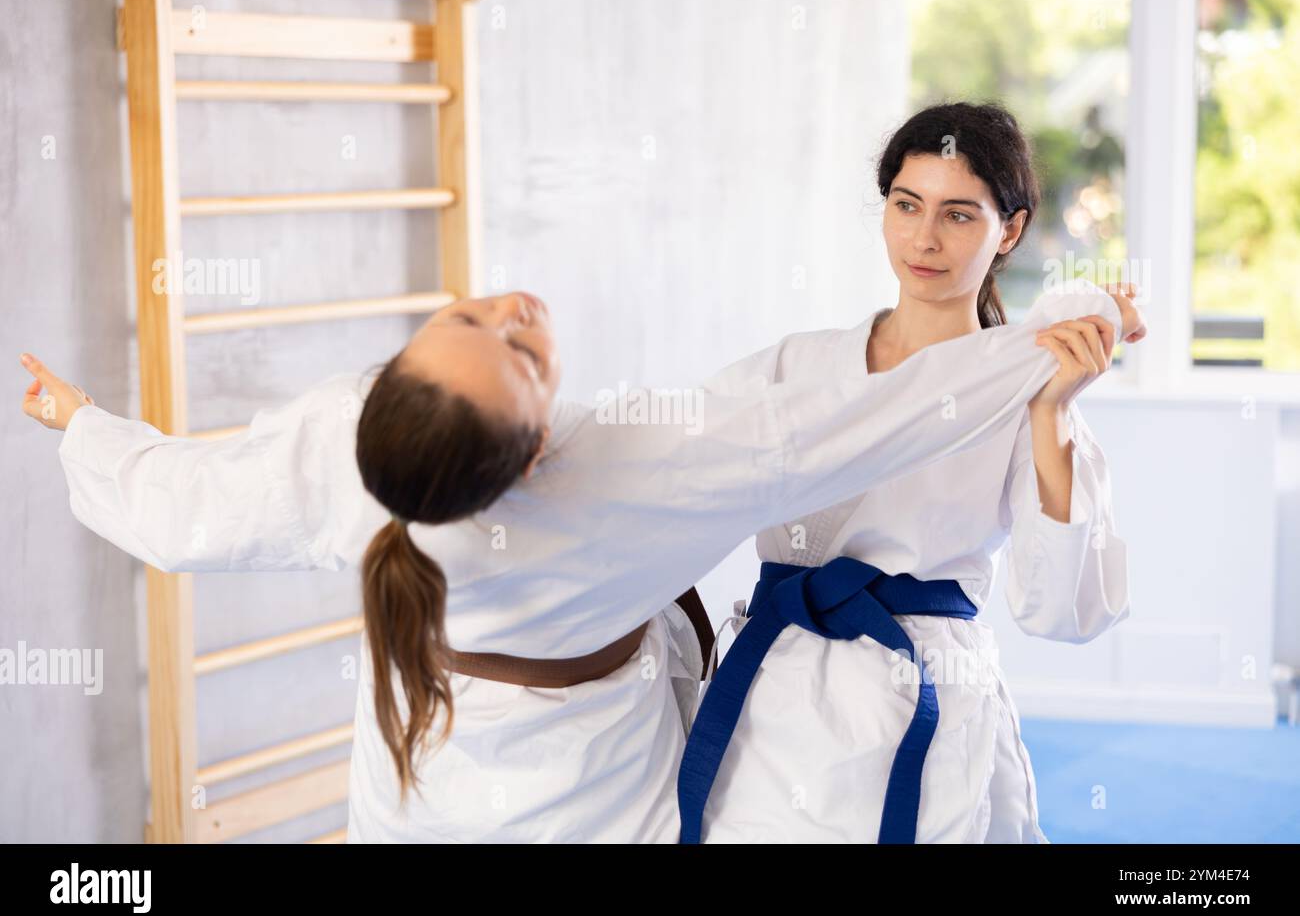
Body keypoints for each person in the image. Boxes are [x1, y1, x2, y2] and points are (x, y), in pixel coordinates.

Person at [21, 276, 1140, 841]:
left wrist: (84, 425)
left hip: (423, 753)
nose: (515, 306)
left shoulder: (341, 436)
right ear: (541, 440)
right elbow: (849, 425)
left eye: (477, 315)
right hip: (597, 789)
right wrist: (1035, 358)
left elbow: (180, 512)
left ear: (392, 374)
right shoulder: (632, 468)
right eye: (514, 343)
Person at [679, 101, 1144, 844]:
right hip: (778, 688)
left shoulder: (1025, 392)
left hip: (929, 688)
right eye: (907, 205)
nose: (924, 238)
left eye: (960, 215)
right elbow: (672, 474)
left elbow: (1064, 611)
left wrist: (1051, 412)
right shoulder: (795, 366)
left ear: (1011, 230)